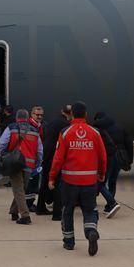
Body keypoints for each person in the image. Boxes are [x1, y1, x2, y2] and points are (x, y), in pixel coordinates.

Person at [49, 101, 107, 255]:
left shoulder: (65, 132)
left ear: (72, 114)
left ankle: (69, 242)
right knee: (89, 210)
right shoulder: (95, 132)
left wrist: (52, 177)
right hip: (89, 182)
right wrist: (101, 173)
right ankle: (90, 232)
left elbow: (58, 158)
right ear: (86, 114)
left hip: (69, 181)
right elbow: (102, 157)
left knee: (67, 210)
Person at [0, 108, 43, 225]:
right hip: (29, 164)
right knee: (21, 189)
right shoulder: (34, 130)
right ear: (27, 118)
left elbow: (2, 143)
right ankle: (15, 212)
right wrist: (38, 162)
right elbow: (39, 150)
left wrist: (1, 155)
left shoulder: (11, 128)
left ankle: (25, 216)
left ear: (17, 118)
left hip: (14, 163)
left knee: (19, 190)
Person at [94, 111, 133, 215]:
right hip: (120, 157)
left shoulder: (99, 129)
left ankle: (112, 203)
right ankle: (109, 206)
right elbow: (129, 143)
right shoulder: (120, 127)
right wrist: (130, 160)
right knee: (113, 181)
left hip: (108, 157)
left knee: (100, 183)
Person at [38, 104, 73, 218]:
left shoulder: (53, 121)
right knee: (58, 183)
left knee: (44, 182)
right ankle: (57, 213)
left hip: (46, 154)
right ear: (70, 114)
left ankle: (40, 207)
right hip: (55, 155)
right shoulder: (66, 124)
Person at [25, 105, 45, 211]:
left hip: (38, 158)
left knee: (35, 182)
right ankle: (26, 204)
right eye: (37, 115)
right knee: (29, 183)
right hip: (29, 158)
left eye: (41, 115)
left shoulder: (42, 125)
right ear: (32, 114)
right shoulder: (27, 125)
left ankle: (30, 202)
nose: (39, 117)